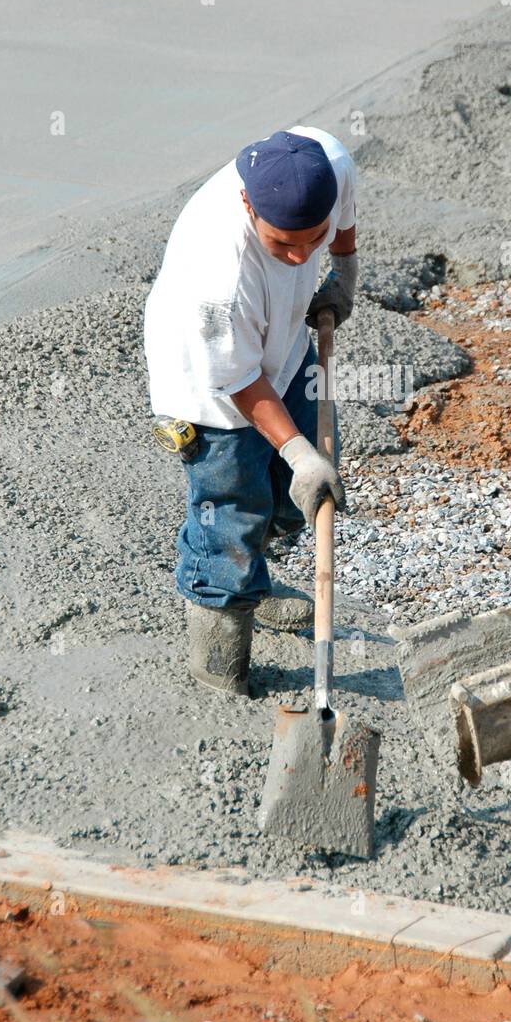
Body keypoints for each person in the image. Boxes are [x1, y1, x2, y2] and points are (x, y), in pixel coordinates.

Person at [144, 126, 357, 696]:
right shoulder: (221, 274)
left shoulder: (325, 166)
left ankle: (253, 582)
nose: (297, 256)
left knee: (294, 489)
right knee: (232, 512)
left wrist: (342, 270)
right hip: (210, 390)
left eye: (311, 239)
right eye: (283, 244)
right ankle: (219, 656)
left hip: (281, 347)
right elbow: (238, 378)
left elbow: (343, 219)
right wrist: (298, 452)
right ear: (247, 204)